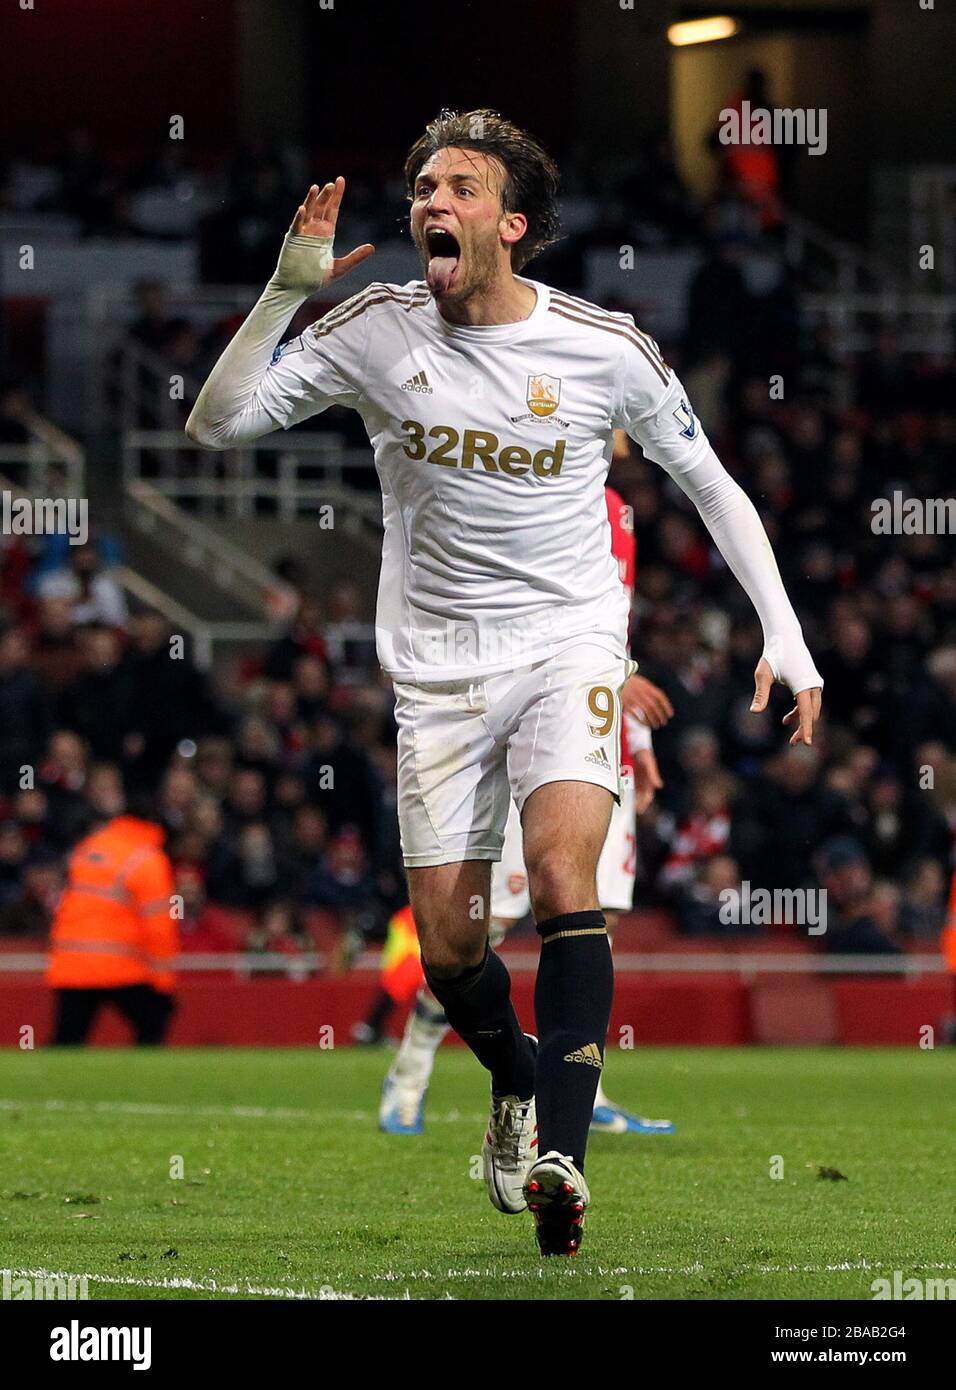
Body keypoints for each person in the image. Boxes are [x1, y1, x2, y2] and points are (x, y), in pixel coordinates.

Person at [186, 110, 823, 1256]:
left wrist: (785, 633)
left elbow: (714, 486)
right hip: (433, 668)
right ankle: (517, 1078)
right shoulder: (374, 330)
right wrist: (284, 293)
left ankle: (561, 1158)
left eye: (461, 187)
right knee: (449, 947)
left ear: (511, 224)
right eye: (424, 182)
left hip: (565, 644)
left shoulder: (599, 348)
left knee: (563, 869)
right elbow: (217, 421)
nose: (433, 200)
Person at [380, 485, 676, 1138]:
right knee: (492, 922)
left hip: (596, 728)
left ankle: (579, 1081)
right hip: (532, 732)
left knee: (600, 917)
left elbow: (611, 625)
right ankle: (411, 1069)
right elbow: (515, 613)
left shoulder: (617, 507)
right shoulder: (539, 486)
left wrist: (641, 738)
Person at [47, 798, 178, 1045]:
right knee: (154, 1022)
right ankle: (143, 1078)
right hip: (121, 966)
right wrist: (163, 981)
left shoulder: (88, 848)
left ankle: (45, 1081)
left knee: (67, 1039)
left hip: (72, 961)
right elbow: (160, 925)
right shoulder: (148, 860)